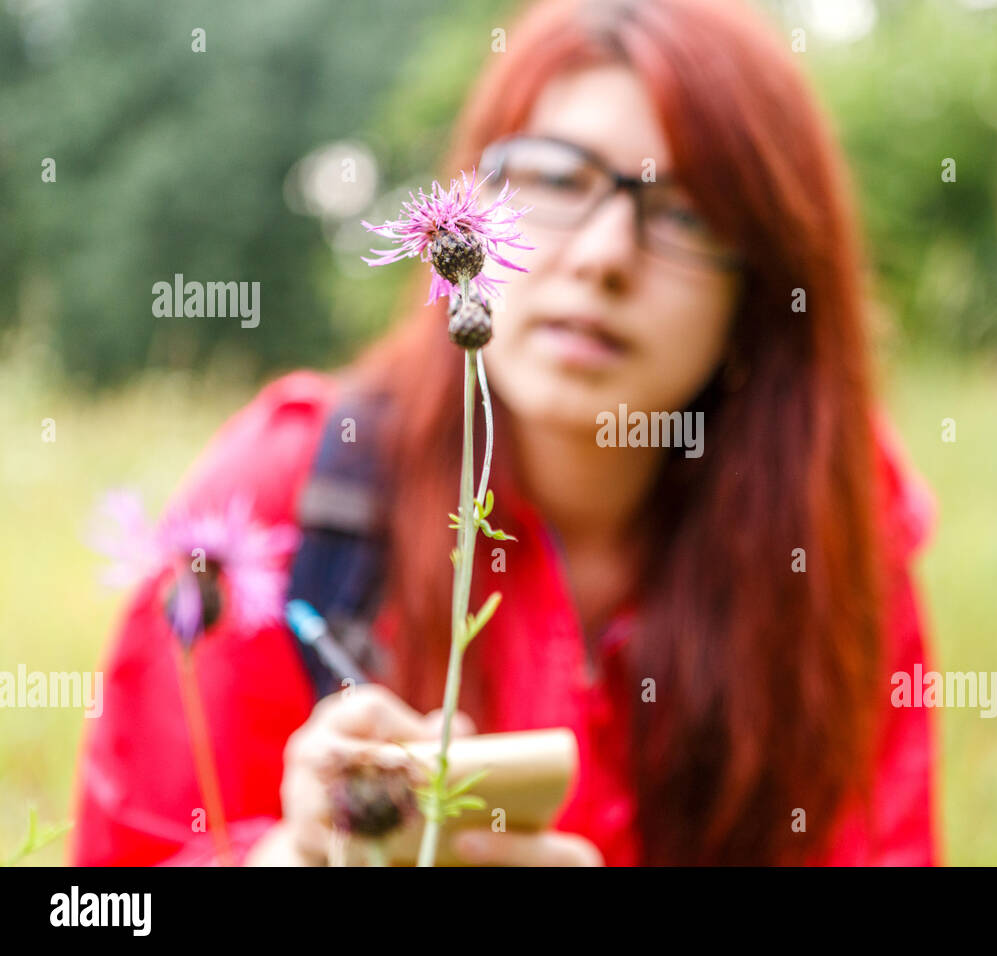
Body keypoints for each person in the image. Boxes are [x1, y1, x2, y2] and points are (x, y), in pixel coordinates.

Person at [72, 0, 940, 866]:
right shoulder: (284, 494)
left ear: (762, 285)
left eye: (687, 214)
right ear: (469, 199)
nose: (605, 255)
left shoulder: (834, 532)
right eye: (557, 179)